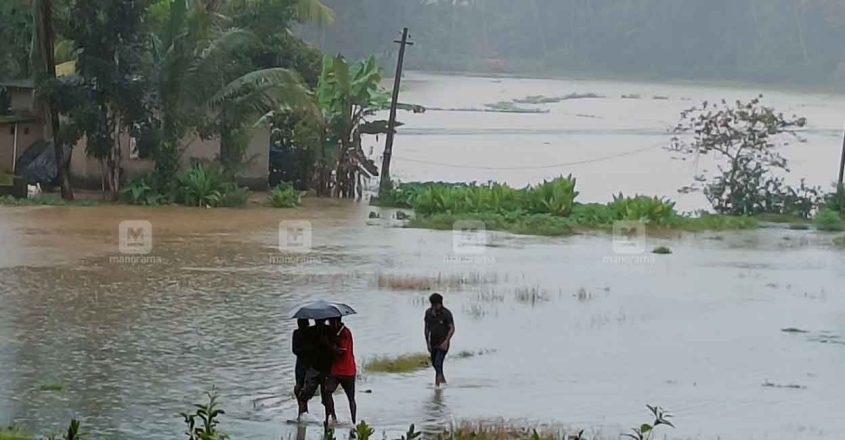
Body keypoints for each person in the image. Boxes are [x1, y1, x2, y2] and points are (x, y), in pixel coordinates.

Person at [295, 319, 334, 422]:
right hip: (315, 367)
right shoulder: (312, 331)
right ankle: (303, 416)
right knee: (304, 394)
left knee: (325, 396)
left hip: (319, 367)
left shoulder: (325, 331)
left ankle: (330, 419)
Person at [324, 317, 357, 425]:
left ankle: (353, 422)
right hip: (338, 370)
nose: (330, 324)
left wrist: (328, 344)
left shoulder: (345, 333)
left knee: (351, 398)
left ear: (337, 322)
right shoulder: (336, 332)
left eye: (331, 322)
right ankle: (333, 417)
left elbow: (340, 351)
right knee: (327, 392)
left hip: (347, 371)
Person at [424, 293, 455, 387]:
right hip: (433, 342)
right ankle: (443, 381)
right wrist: (427, 343)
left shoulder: (446, 313)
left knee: (438, 363)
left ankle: (437, 387)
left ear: (440, 304)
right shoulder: (428, 313)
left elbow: (452, 328)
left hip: (443, 343)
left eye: (436, 305)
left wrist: (446, 341)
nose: (434, 307)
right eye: (432, 305)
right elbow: (426, 328)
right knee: (434, 364)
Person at [291, 319, 313, 418]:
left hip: (308, 364)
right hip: (300, 364)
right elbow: (294, 350)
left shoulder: (310, 333)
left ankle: (302, 413)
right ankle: (303, 411)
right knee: (298, 388)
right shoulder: (296, 333)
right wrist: (305, 350)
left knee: (303, 389)